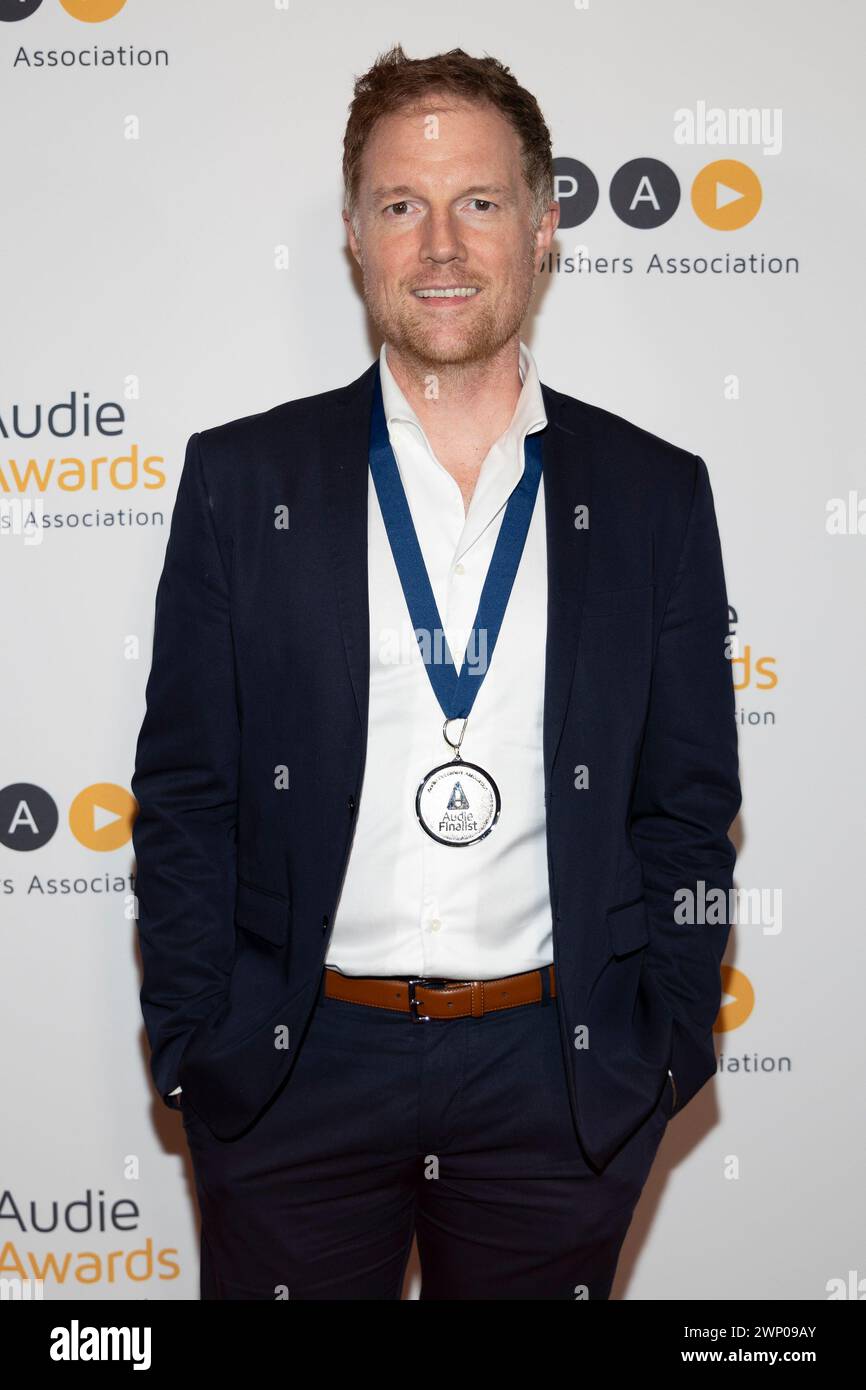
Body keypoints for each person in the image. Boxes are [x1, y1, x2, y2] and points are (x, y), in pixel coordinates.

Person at [131, 44, 741, 1300]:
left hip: (555, 1078)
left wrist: (667, 1041)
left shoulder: (652, 495)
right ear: (355, 236)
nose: (442, 245)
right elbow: (186, 793)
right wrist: (197, 1036)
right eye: (402, 205)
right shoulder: (244, 481)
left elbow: (686, 807)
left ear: (543, 224)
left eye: (479, 201)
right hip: (293, 1072)